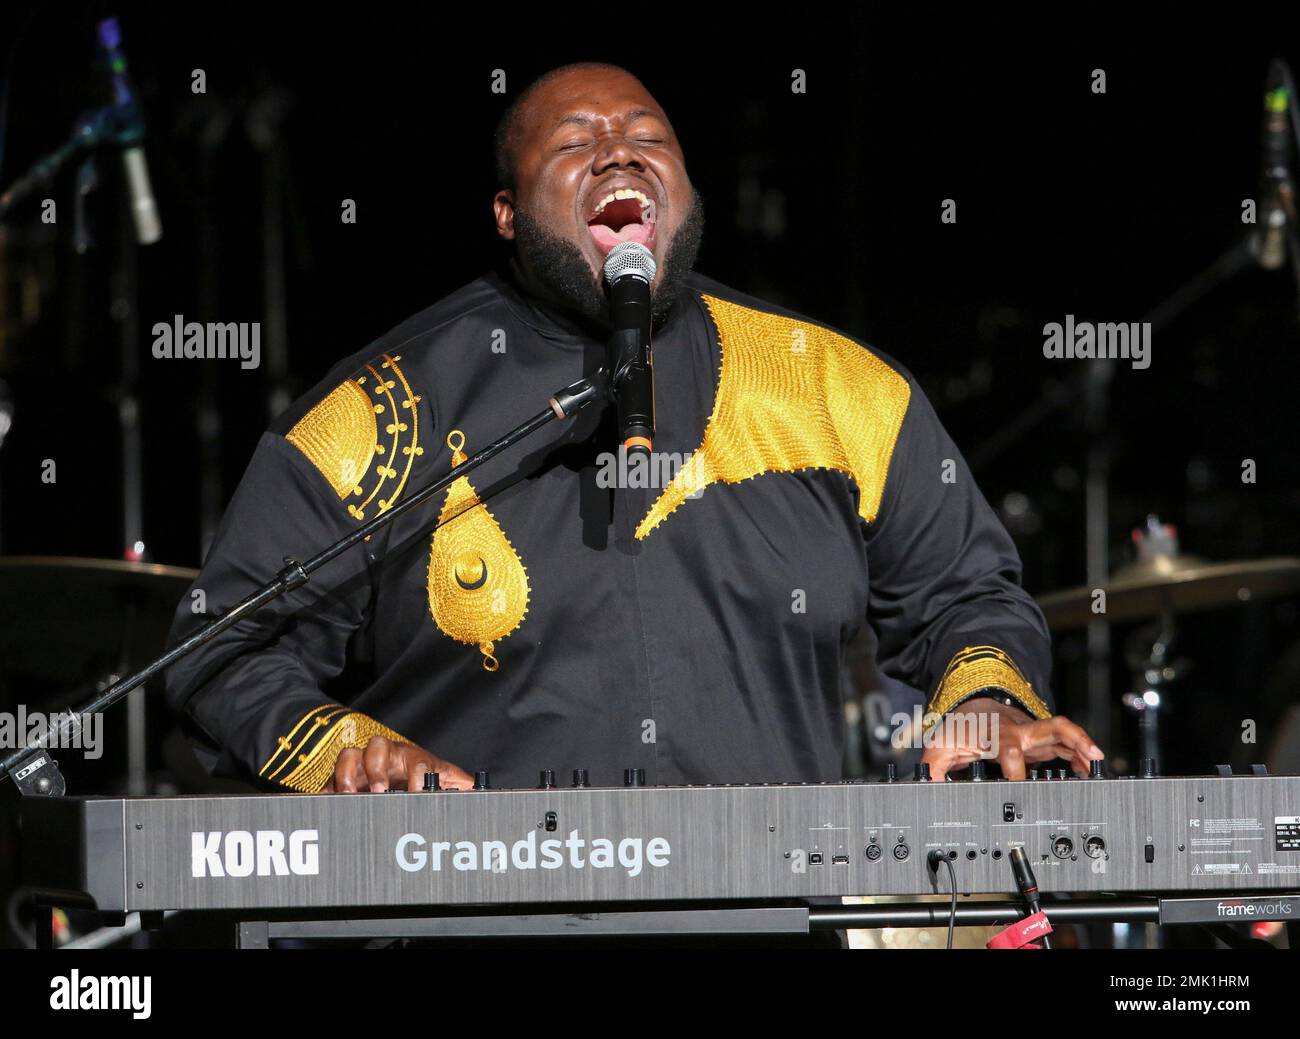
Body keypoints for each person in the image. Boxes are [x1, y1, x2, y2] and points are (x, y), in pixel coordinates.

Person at [165, 62, 1103, 796]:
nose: (619, 152)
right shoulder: (385, 410)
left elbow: (966, 592)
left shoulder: (830, 383)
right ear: (505, 213)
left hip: (779, 914)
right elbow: (221, 646)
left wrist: (984, 707)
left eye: (649, 138)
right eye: (577, 144)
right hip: (469, 922)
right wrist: (349, 751)